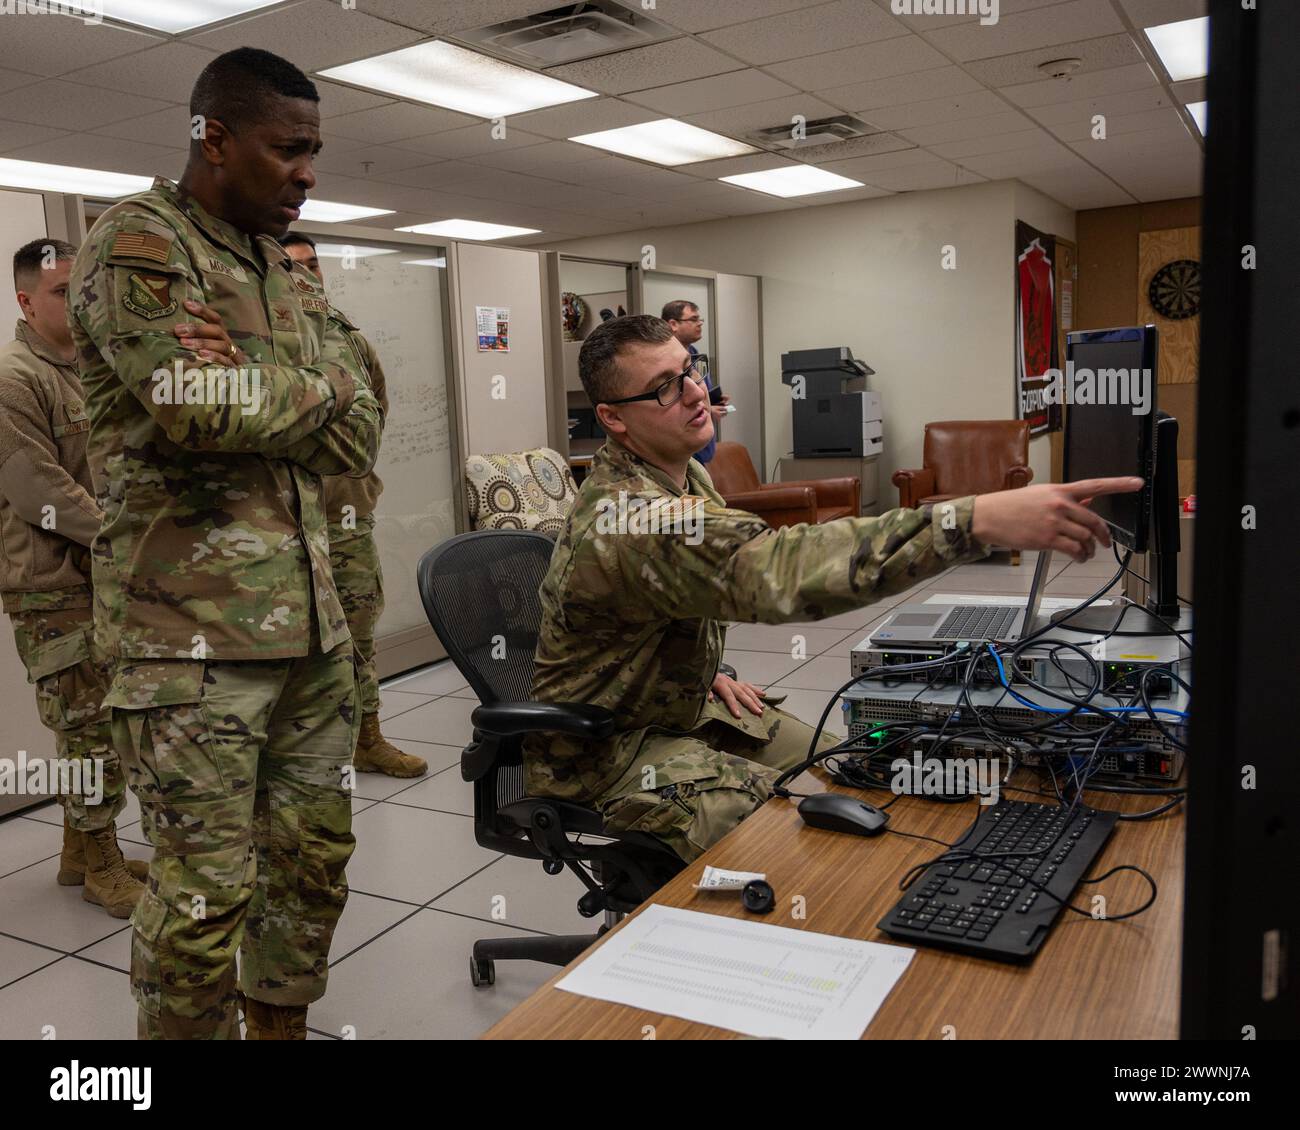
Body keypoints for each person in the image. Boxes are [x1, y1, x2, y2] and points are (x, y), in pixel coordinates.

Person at [523, 315, 1142, 864]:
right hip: (605, 754)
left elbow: (667, 598)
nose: (692, 393)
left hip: (674, 706)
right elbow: (775, 570)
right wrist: (971, 519)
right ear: (612, 418)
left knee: (852, 765)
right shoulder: (629, 517)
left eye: (689, 371)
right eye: (662, 387)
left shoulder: (686, 476)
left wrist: (699, 666)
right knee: (805, 841)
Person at [67, 48, 384, 1040]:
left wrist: (302, 395)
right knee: (204, 896)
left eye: (315, 152)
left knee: (311, 859)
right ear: (214, 137)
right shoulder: (139, 240)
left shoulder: (283, 262)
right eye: (288, 150)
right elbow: (197, 403)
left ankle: (280, 1028)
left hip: (312, 632)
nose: (307, 174)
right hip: (188, 645)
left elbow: (362, 414)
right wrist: (314, 392)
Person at [0, 238, 146, 917]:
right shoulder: (12, 379)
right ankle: (101, 865)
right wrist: (123, 541)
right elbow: (39, 490)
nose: (78, 300)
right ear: (26, 301)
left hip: (94, 573)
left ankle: (77, 851)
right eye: (61, 291)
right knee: (88, 727)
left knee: (95, 720)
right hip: (51, 583)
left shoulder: (88, 367)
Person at [279, 232, 426, 777]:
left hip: (345, 516)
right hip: (284, 524)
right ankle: (303, 754)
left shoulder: (348, 337)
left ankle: (368, 737)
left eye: (312, 265)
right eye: (291, 266)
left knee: (359, 633)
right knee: (292, 645)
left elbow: (375, 412)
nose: (306, 276)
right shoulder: (259, 340)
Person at [662, 299, 727, 464]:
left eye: (700, 320)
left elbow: (700, 393)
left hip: (702, 452)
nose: (699, 324)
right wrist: (708, 409)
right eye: (693, 319)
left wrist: (713, 402)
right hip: (680, 451)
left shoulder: (696, 355)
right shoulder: (663, 360)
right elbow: (669, 405)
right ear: (673, 324)